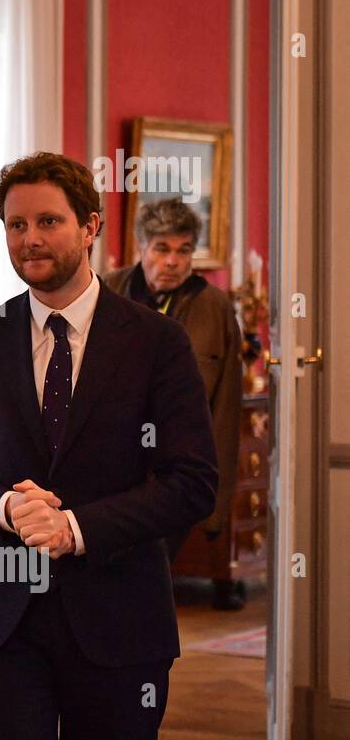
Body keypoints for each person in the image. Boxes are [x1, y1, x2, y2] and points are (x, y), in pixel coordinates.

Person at [0, 151, 218, 740]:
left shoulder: (159, 342)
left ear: (90, 226)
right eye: (16, 224)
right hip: (2, 619)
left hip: (121, 617)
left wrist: (75, 528)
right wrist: (8, 507)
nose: (30, 239)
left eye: (48, 222)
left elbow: (192, 481)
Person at [104, 198, 243, 607]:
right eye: (162, 249)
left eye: (184, 250)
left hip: (174, 471)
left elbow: (226, 410)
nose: (173, 262)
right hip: (109, 467)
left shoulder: (215, 307)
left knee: (146, 581)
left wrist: (216, 503)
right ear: (141, 249)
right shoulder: (107, 290)